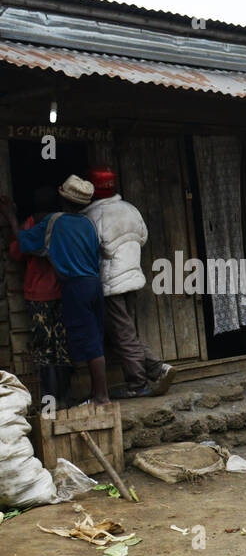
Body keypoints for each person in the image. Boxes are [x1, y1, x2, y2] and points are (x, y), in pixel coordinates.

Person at [4, 176, 109, 405]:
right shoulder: (88, 223)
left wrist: (11, 217)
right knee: (87, 340)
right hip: (94, 284)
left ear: (63, 200)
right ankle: (83, 396)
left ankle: (99, 397)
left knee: (79, 343)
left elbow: (21, 245)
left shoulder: (53, 222)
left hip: (74, 287)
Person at [82, 167, 173, 398]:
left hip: (110, 283)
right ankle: (157, 368)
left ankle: (138, 383)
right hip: (133, 277)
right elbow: (142, 238)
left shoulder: (92, 217)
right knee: (125, 331)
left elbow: (91, 249)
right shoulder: (130, 209)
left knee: (122, 335)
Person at [4, 186, 71, 407]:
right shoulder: (62, 222)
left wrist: (13, 220)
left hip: (38, 295)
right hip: (62, 291)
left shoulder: (31, 224)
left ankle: (49, 399)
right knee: (62, 345)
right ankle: (64, 398)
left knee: (45, 347)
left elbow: (16, 252)